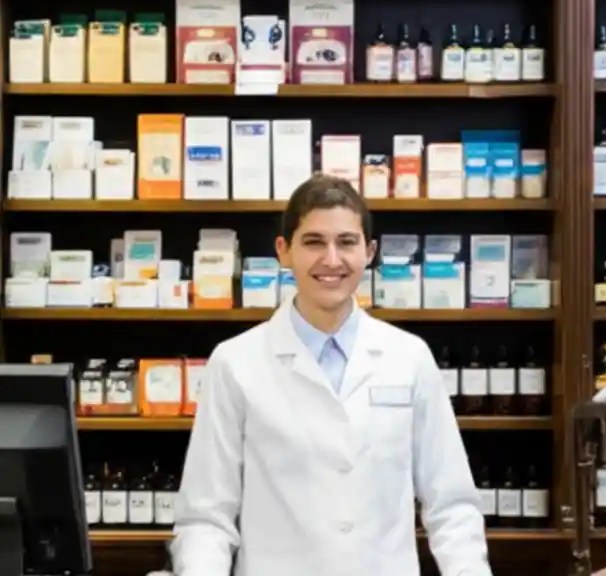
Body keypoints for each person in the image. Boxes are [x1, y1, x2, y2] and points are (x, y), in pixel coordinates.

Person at [170, 175, 492, 576]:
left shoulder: (409, 357)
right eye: (314, 242)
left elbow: (452, 506)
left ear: (369, 252)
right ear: (283, 251)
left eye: (346, 242)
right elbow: (206, 517)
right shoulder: (235, 363)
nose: (332, 259)